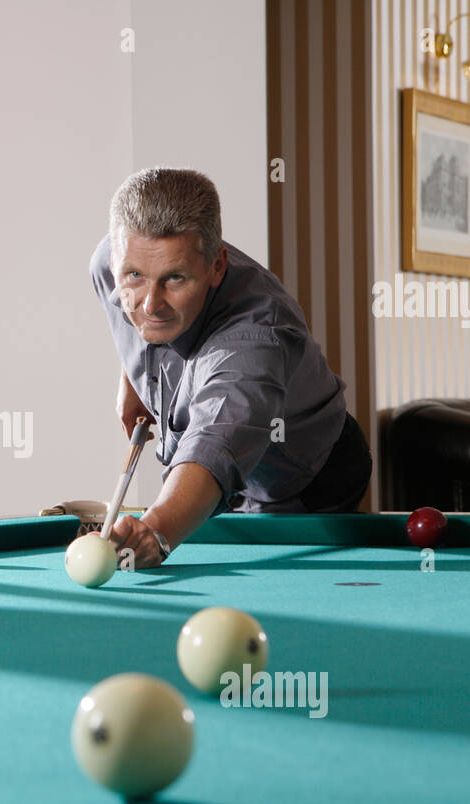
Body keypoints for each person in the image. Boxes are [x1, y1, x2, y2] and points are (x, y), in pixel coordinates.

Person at [90, 167, 370, 569]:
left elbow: (214, 446)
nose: (150, 303)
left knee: (271, 593)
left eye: (175, 279)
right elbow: (137, 315)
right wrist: (131, 381)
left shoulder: (256, 337)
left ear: (217, 266)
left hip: (304, 476)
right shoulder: (109, 260)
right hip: (214, 472)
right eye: (134, 275)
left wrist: (154, 531)